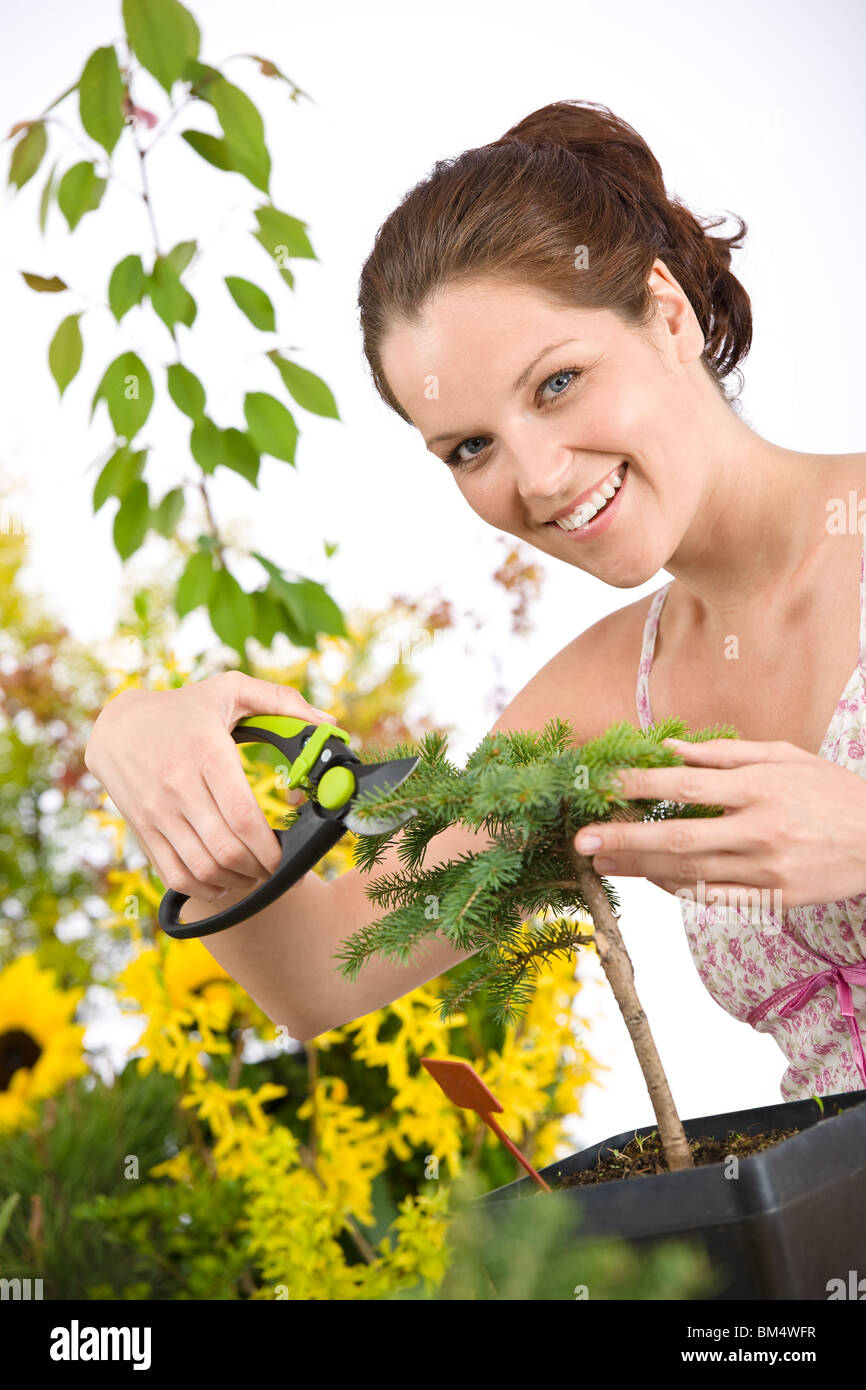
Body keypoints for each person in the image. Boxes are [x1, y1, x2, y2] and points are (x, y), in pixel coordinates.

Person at [85, 99, 866, 1100]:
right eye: (468, 447)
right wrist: (141, 739)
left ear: (665, 314)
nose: (534, 478)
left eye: (555, 383)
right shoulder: (601, 698)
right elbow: (326, 969)